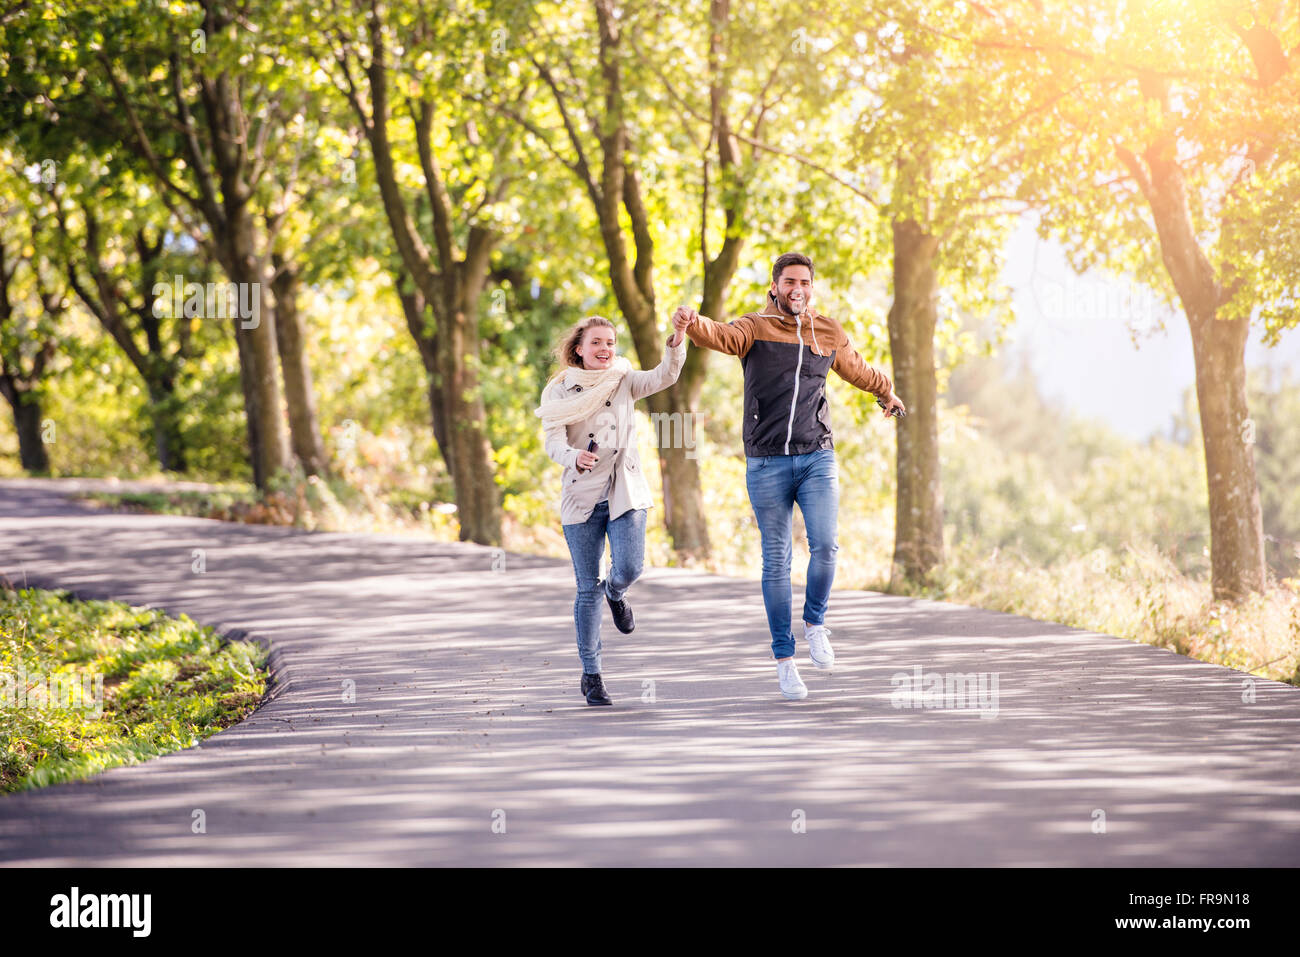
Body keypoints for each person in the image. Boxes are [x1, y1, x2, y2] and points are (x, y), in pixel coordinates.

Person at [676, 252, 905, 700]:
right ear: (775, 286)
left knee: (825, 544)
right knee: (776, 562)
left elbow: (857, 368)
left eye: (804, 282)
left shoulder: (827, 331)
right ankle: (784, 658)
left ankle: (815, 622)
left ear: (811, 287)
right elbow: (720, 336)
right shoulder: (755, 327)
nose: (796, 289)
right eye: (788, 282)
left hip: (816, 455)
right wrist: (692, 322)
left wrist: (887, 392)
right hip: (765, 461)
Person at [535, 311, 693, 705]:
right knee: (587, 588)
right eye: (596, 343)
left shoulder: (623, 379)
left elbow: (665, 376)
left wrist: (677, 335)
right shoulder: (558, 391)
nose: (605, 349)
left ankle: (617, 594)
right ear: (579, 349)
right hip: (582, 496)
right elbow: (552, 441)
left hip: (624, 489)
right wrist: (573, 457)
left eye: (610, 342)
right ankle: (592, 676)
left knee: (630, 567)